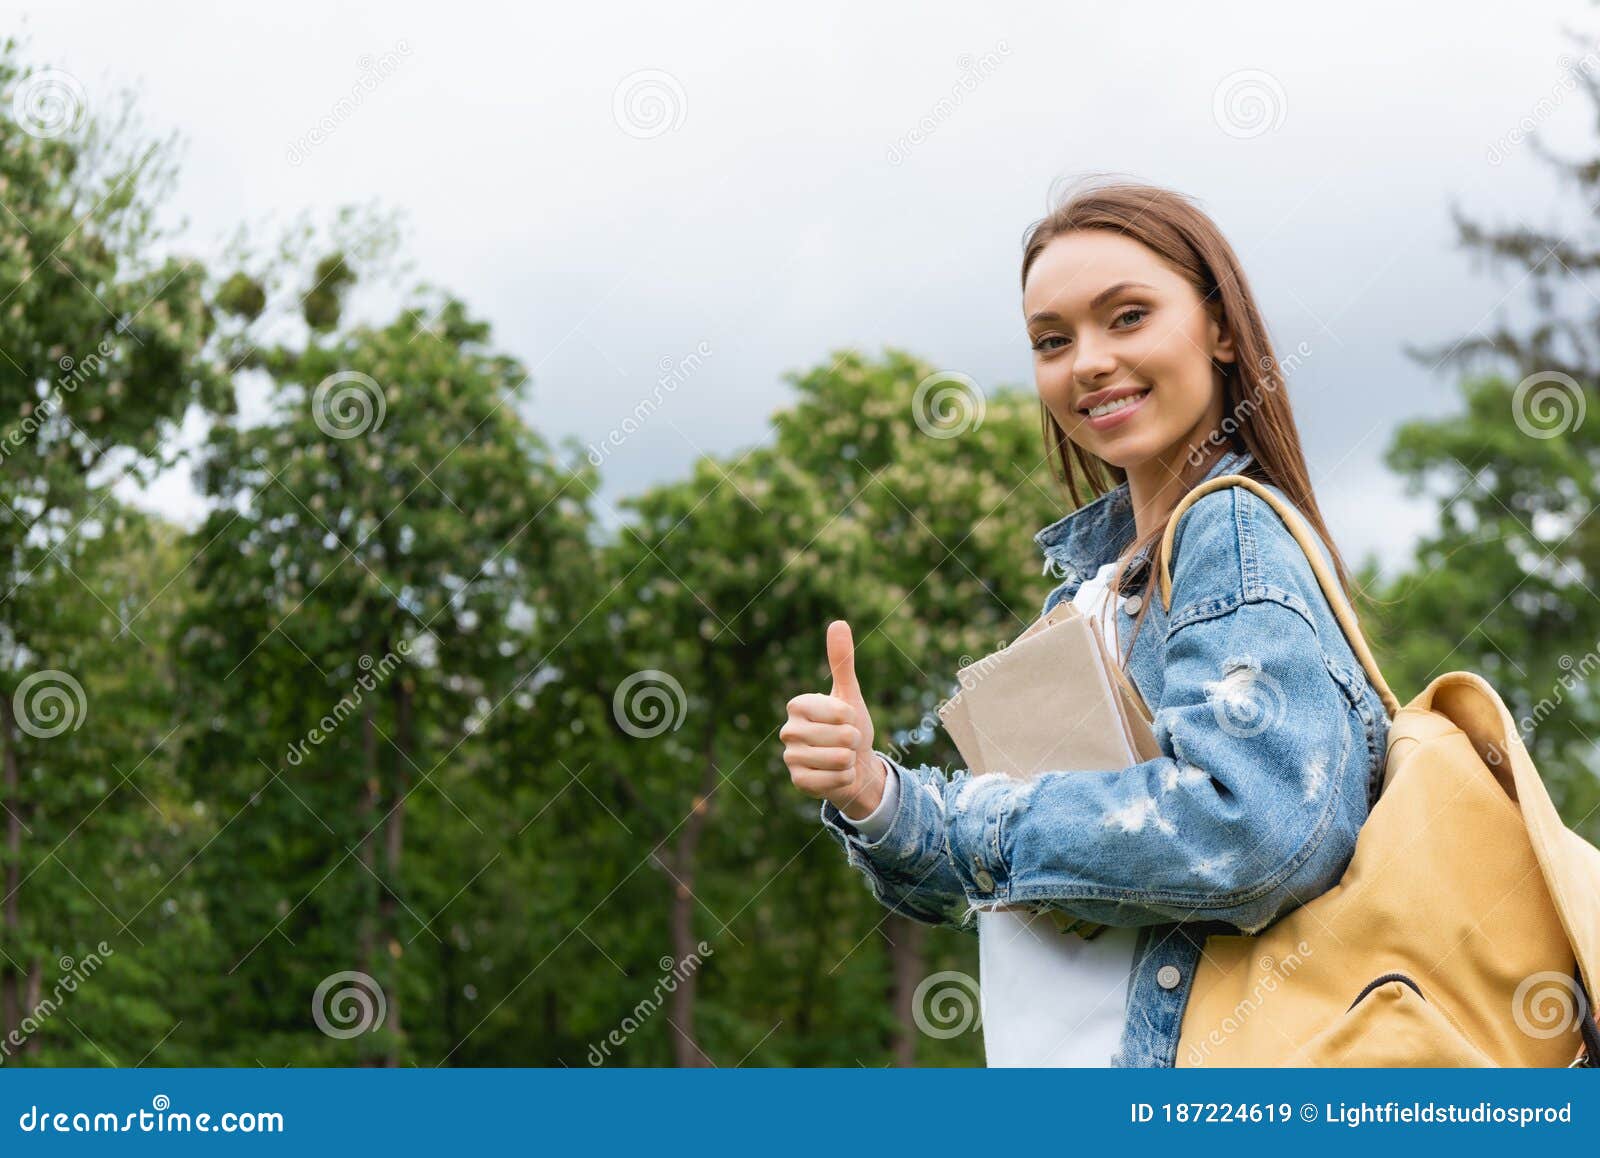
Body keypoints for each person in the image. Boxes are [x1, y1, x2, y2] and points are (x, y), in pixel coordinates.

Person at [779, 179, 1390, 1068]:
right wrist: (872, 792)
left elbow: (1251, 832)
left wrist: (978, 822)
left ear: (1221, 328)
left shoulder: (1229, 531)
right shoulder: (1090, 592)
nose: (1089, 362)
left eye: (1129, 316)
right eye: (1052, 341)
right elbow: (1003, 880)